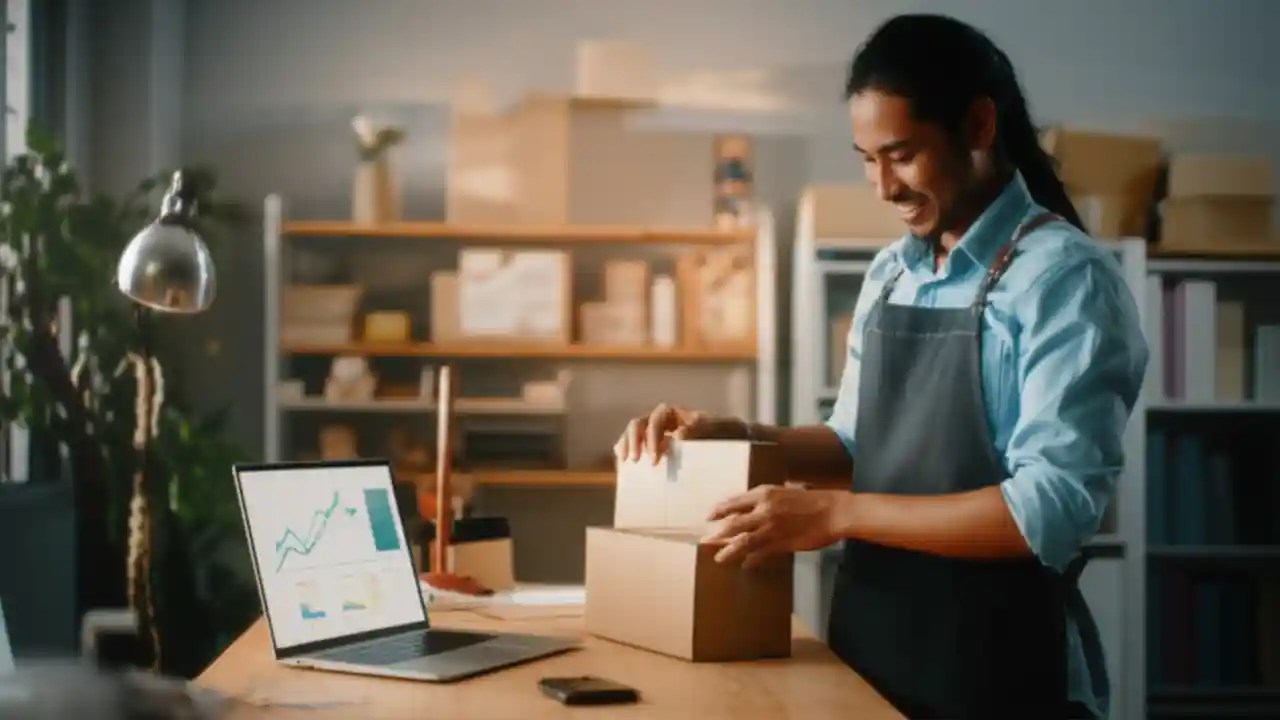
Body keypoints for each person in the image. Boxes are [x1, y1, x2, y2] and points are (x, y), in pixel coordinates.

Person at [613, 13, 1147, 720]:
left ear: (978, 125)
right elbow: (854, 448)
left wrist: (838, 514)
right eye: (867, 159)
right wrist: (735, 436)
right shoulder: (892, 274)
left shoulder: (1064, 279)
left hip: (997, 670)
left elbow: (1048, 511)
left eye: (901, 155)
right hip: (870, 655)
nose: (883, 186)